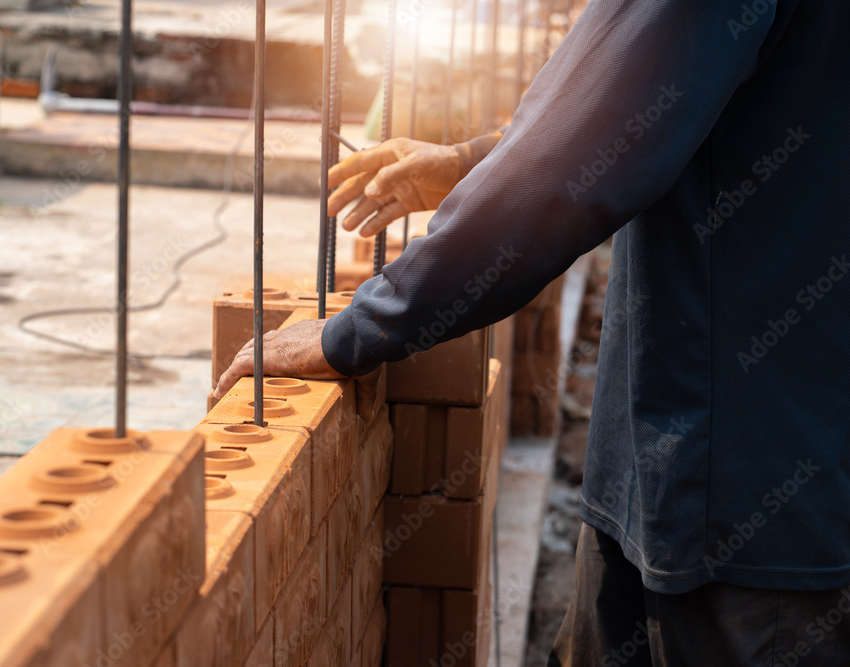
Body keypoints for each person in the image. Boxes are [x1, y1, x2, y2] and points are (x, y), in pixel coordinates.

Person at [215, 0, 850, 664]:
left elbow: (587, 148)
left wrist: (363, 325)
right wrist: (477, 161)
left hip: (739, 503)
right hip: (745, 463)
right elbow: (652, 103)